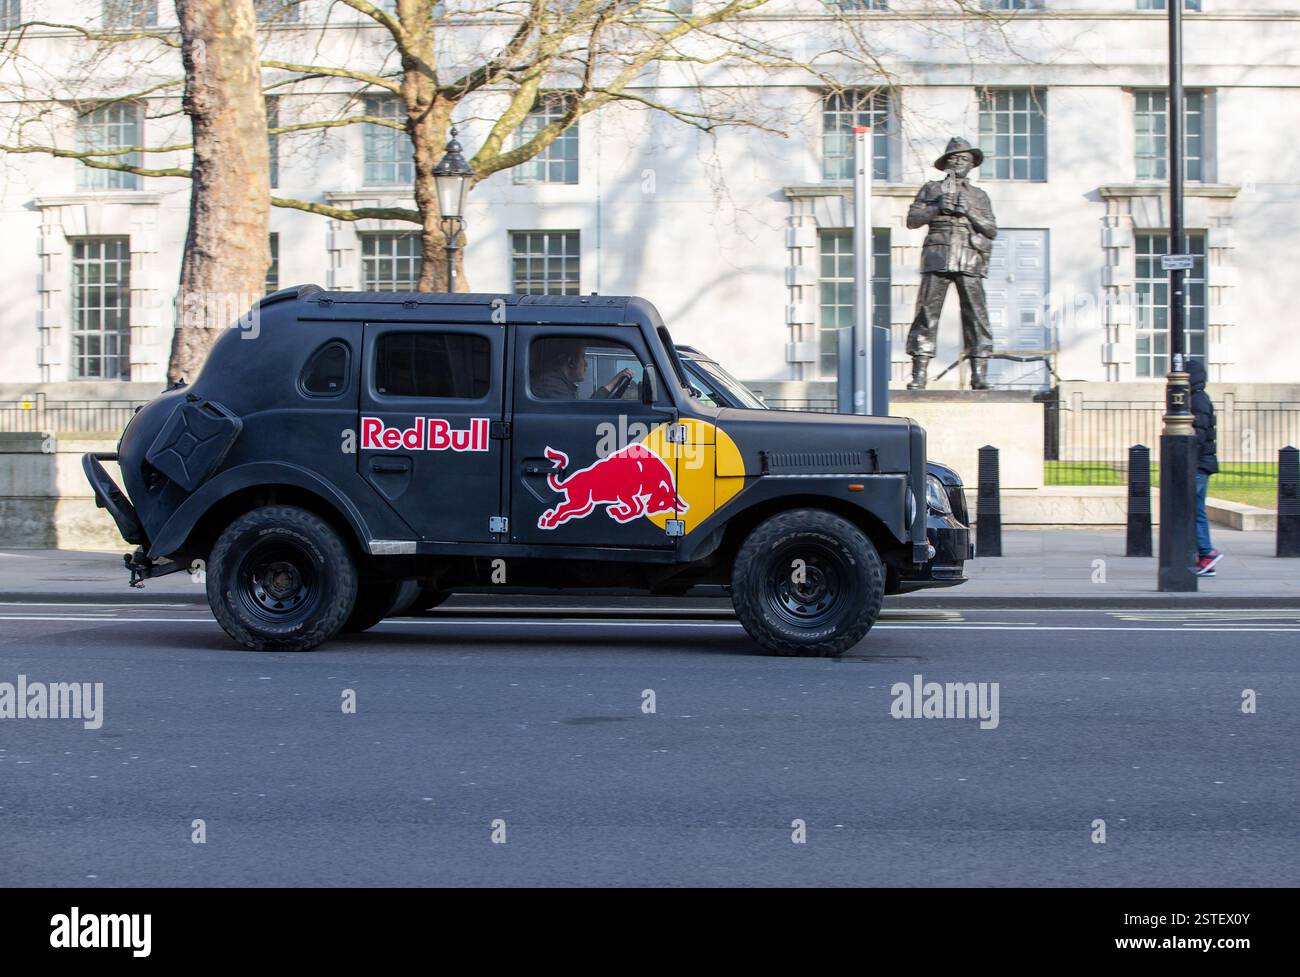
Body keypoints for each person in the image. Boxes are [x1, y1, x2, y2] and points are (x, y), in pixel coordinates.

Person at [904, 136, 999, 390]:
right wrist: (935, 209)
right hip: (938, 255)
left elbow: (991, 229)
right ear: (945, 163)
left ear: (972, 165)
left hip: (970, 258)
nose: (959, 162)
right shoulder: (931, 189)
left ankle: (979, 375)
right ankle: (919, 374)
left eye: (964, 159)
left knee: (976, 316)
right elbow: (912, 220)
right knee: (926, 313)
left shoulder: (980, 196)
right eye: (954, 158)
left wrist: (969, 210)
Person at [1188, 358, 1223, 576]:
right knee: (1196, 510)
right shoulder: (1199, 398)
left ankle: (1206, 552)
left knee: (1192, 511)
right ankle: (1205, 558)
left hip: (1198, 465)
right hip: (1202, 464)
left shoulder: (1197, 400)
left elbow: (1198, 435)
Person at [536, 339, 634, 399]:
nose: (586, 363)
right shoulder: (552, 387)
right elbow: (577, 415)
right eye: (583, 357)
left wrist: (614, 382)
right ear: (571, 361)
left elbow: (584, 410)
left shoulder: (560, 385)